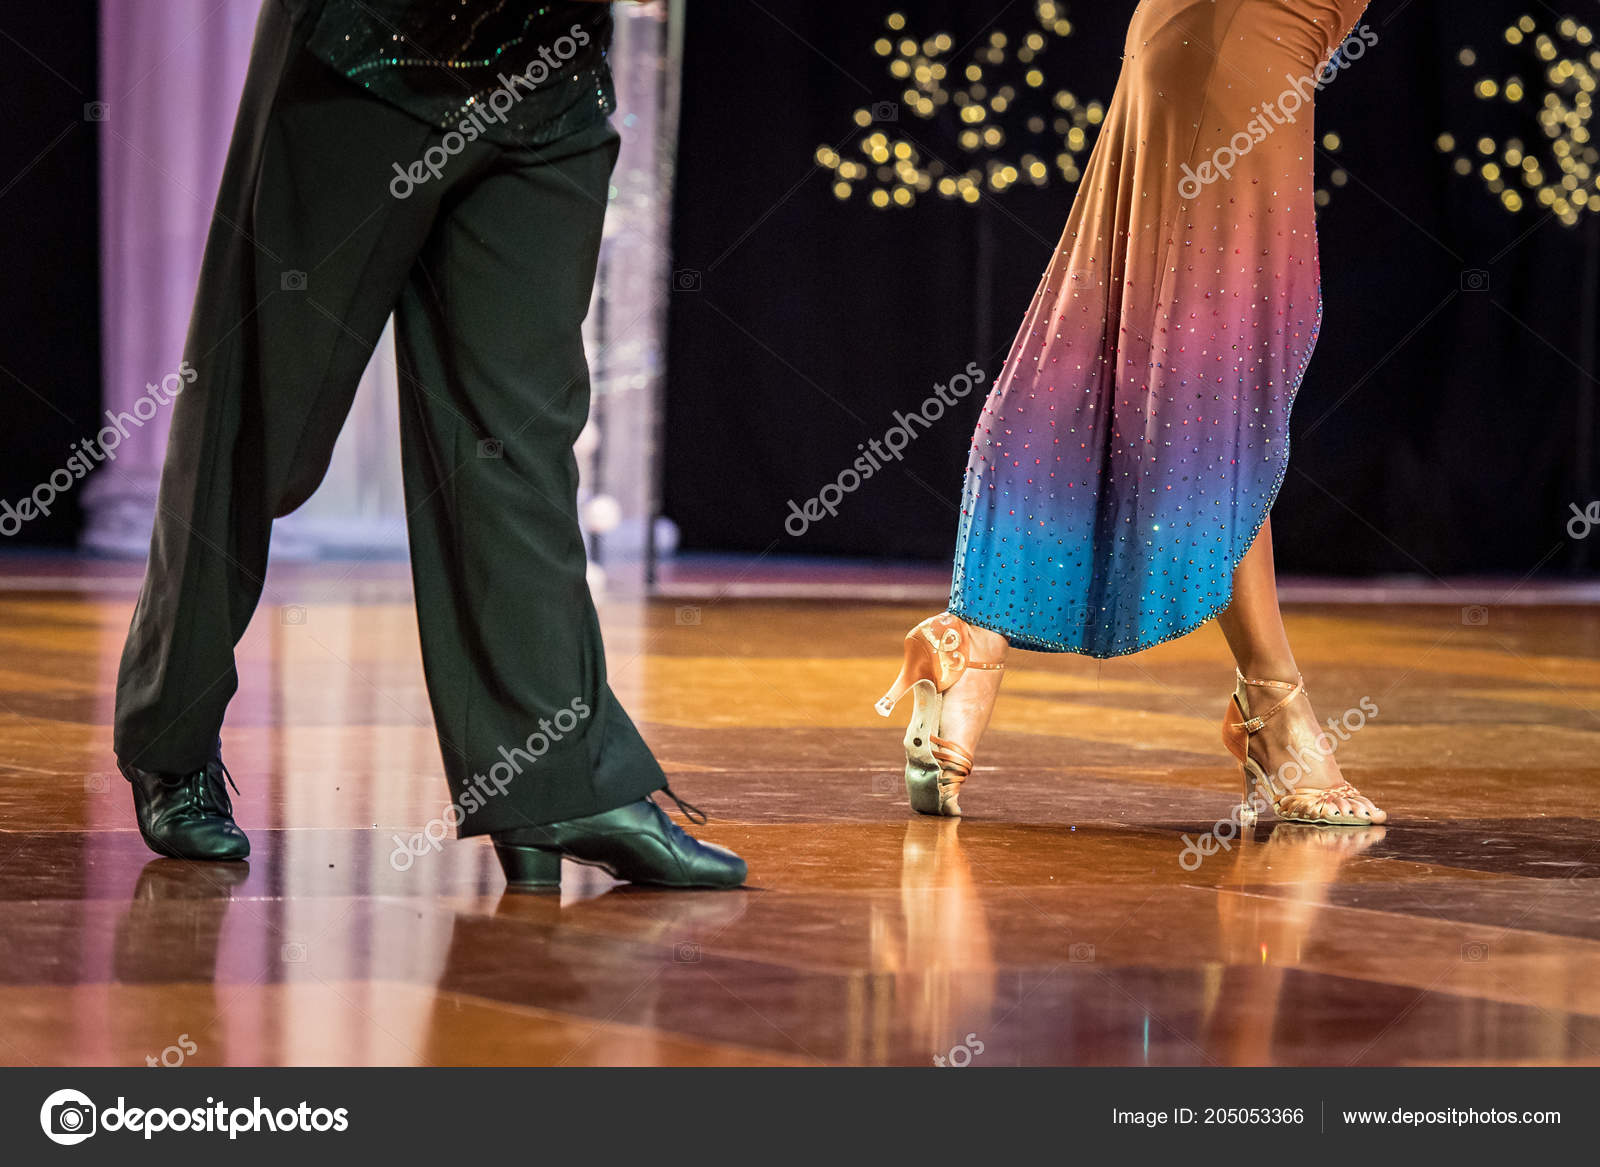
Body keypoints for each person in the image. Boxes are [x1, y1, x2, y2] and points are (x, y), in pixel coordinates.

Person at [113, 0, 745, 890]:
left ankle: (552, 778)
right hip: (370, 54)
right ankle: (168, 740)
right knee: (262, 415)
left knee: (518, 439)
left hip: (550, 78)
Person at [878, 0, 1385, 828]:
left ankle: (973, 642)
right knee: (1213, 383)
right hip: (1242, 45)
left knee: (1143, 355)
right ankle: (1274, 710)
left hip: (1224, 43)